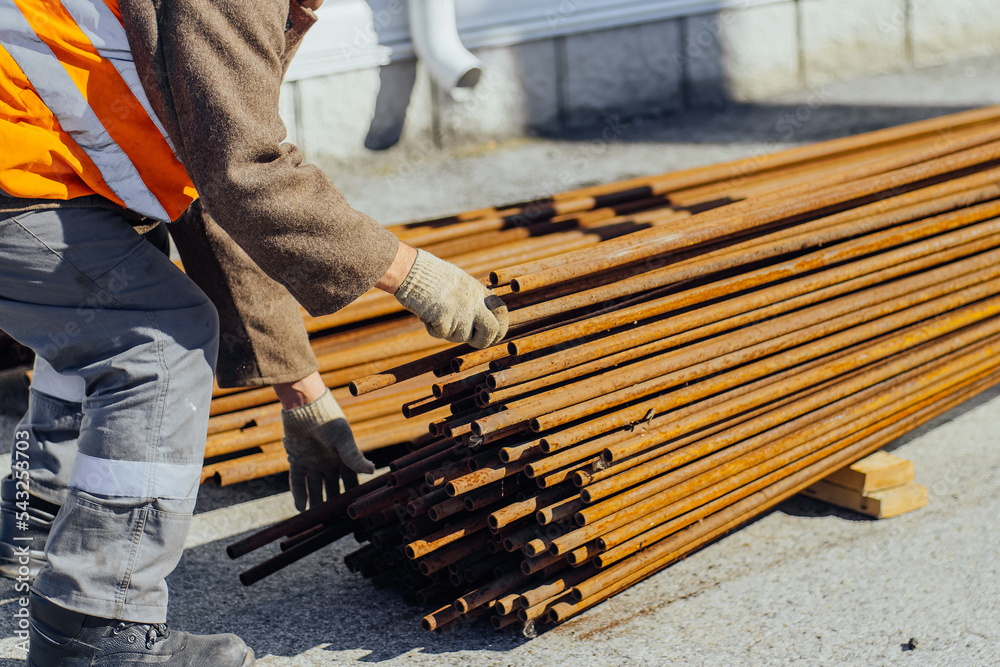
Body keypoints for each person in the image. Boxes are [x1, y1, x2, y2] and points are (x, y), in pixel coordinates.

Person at [0, 0, 508, 664]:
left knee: (105, 308)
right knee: (157, 338)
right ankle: (99, 629)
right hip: (18, 176)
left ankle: (35, 524)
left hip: (38, 164)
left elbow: (207, 188)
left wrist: (303, 392)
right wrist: (409, 273)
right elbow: (245, 174)